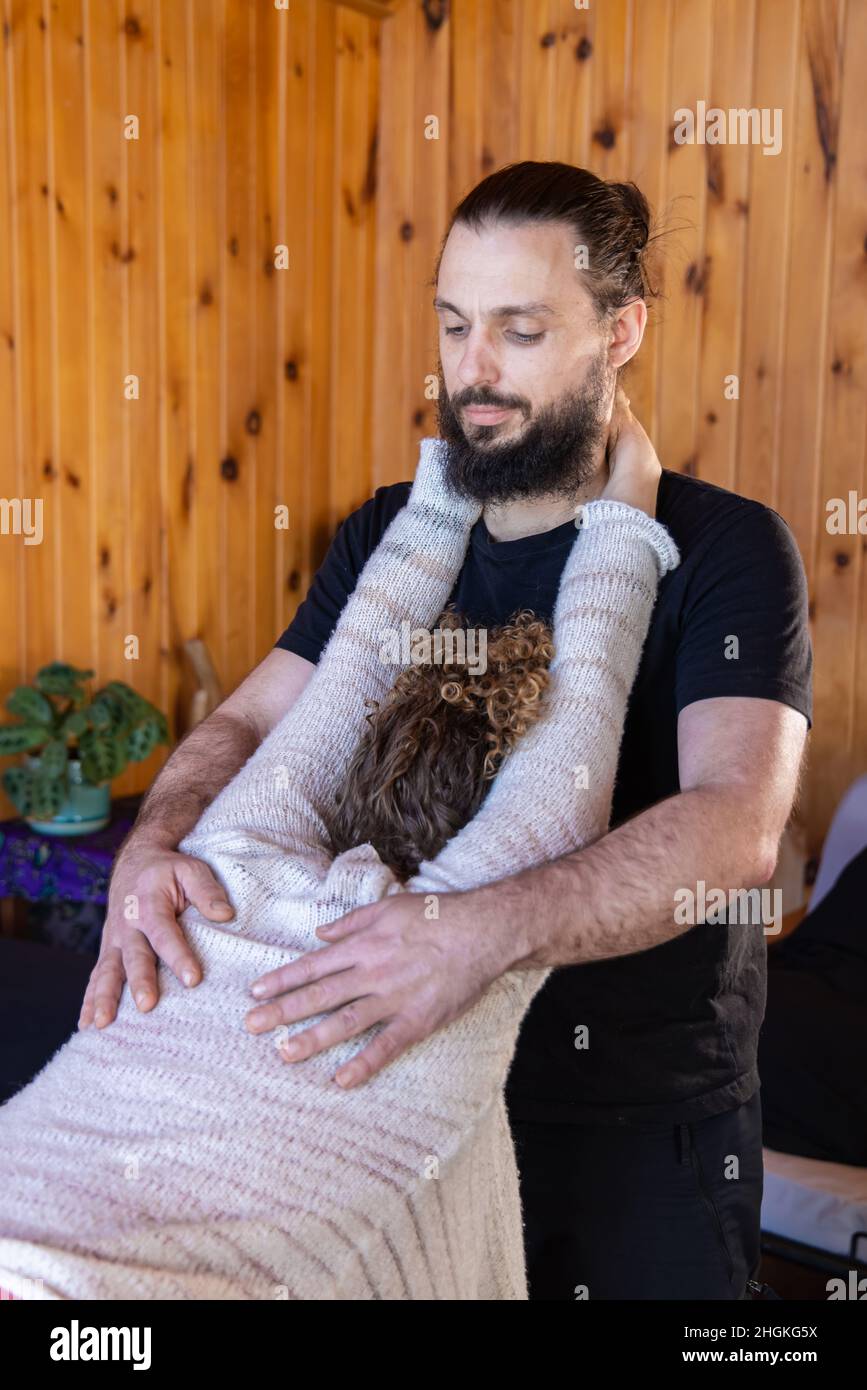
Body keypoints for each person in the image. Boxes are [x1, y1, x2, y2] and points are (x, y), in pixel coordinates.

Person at [77, 162, 811, 1300]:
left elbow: (737, 828)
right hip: (398, 1098)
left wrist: (474, 935)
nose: (472, 371)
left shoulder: (725, 549)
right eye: (456, 325)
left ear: (621, 332)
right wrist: (153, 841)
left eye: (519, 332)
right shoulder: (389, 534)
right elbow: (252, 717)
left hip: (638, 1124)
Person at [0, 418, 677, 1300]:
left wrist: (448, 482)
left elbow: (360, 651)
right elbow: (589, 690)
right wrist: (633, 500)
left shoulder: (224, 866)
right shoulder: (474, 946)